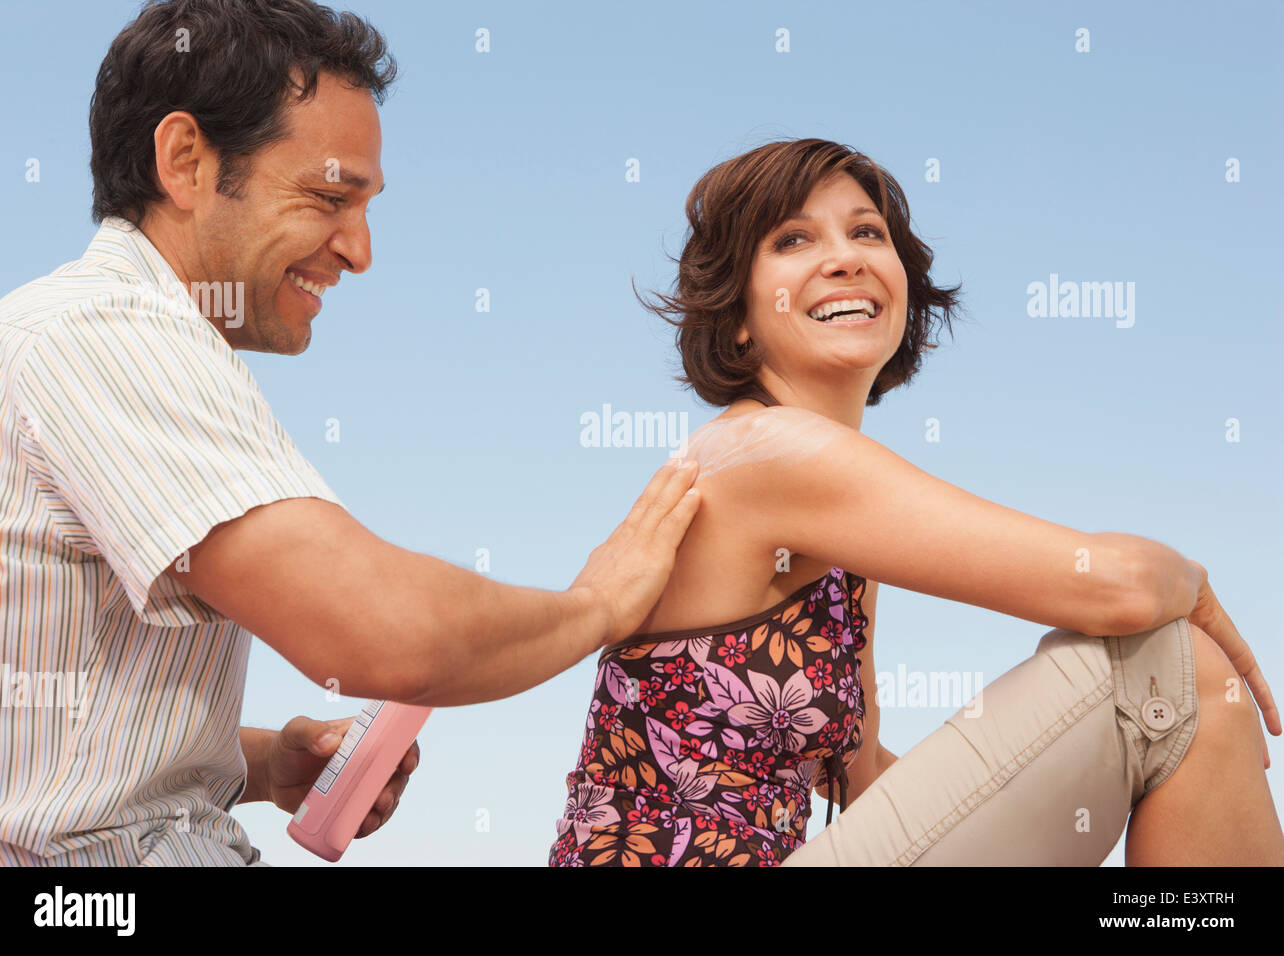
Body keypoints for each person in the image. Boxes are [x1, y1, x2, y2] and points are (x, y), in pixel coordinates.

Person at [0, 0, 699, 866]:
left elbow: (32, 724)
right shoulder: (105, 337)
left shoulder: (74, 337)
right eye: (328, 197)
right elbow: (389, 637)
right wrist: (602, 605)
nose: (359, 250)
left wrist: (258, 763)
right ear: (185, 162)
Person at [547, 138, 1283, 866]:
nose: (845, 256)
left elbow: (863, 777)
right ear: (738, 314)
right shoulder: (766, 454)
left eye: (866, 231)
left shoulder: (840, 543)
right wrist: (1194, 584)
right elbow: (1117, 587)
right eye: (793, 238)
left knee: (1185, 695)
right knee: (1170, 665)